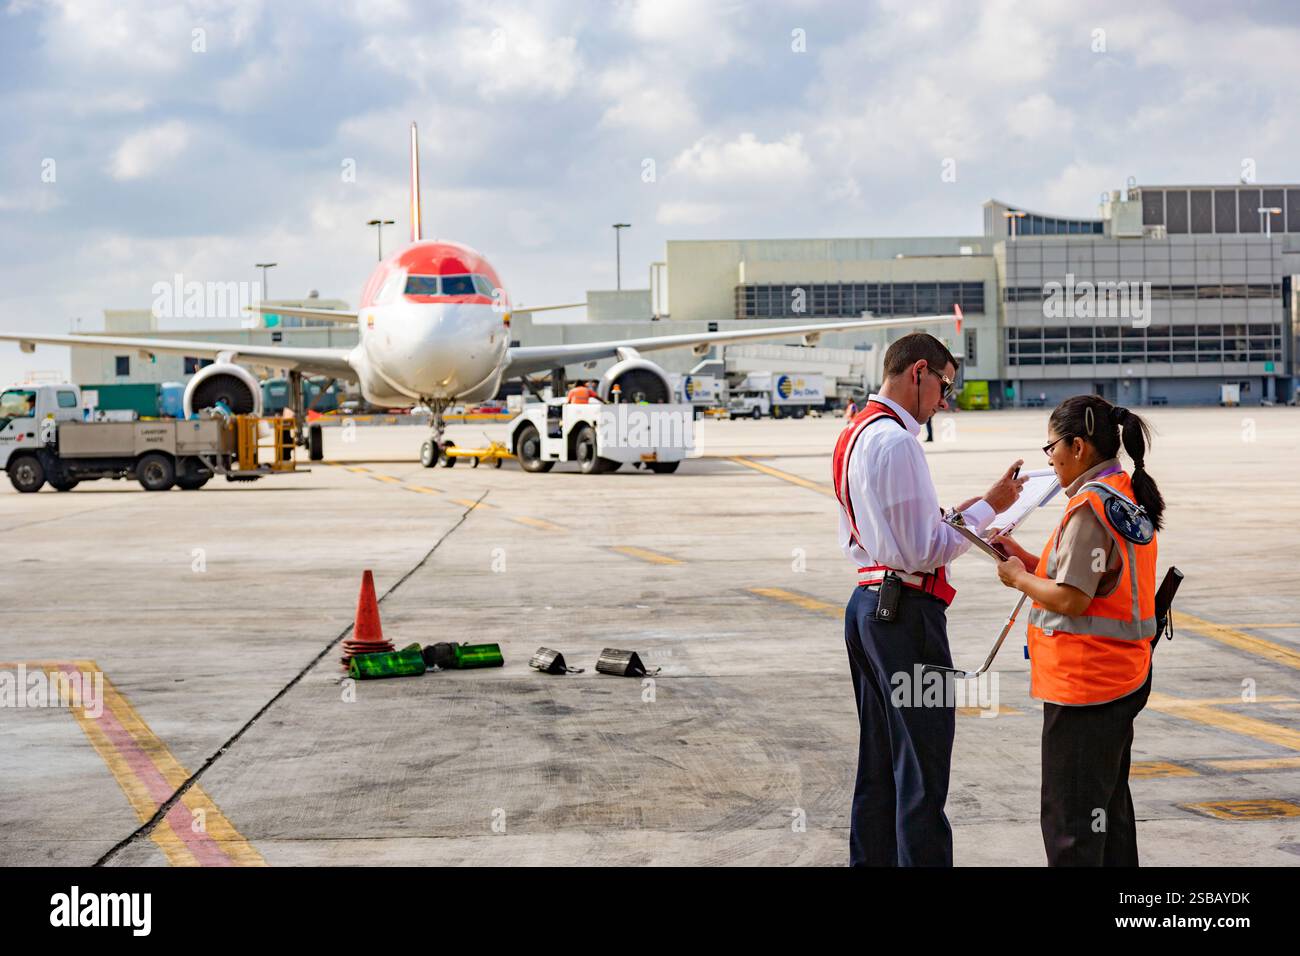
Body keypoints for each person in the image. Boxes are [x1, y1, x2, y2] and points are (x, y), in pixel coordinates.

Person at [833, 332, 1026, 866]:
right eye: (945, 384)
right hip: (905, 616)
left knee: (879, 764)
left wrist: (969, 513)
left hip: (868, 605)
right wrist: (989, 508)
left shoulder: (855, 433)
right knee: (922, 767)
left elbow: (884, 535)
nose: (945, 400)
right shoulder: (898, 442)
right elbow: (923, 549)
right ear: (919, 371)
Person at [990, 395, 1165, 866]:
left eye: (1051, 448)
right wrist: (1024, 559)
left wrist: (1018, 578)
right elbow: (1085, 579)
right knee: (1108, 814)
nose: (1050, 458)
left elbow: (1072, 598)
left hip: (1086, 686)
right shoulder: (1121, 491)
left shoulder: (1089, 508)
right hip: (1120, 674)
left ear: (1079, 446)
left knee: (1072, 826)